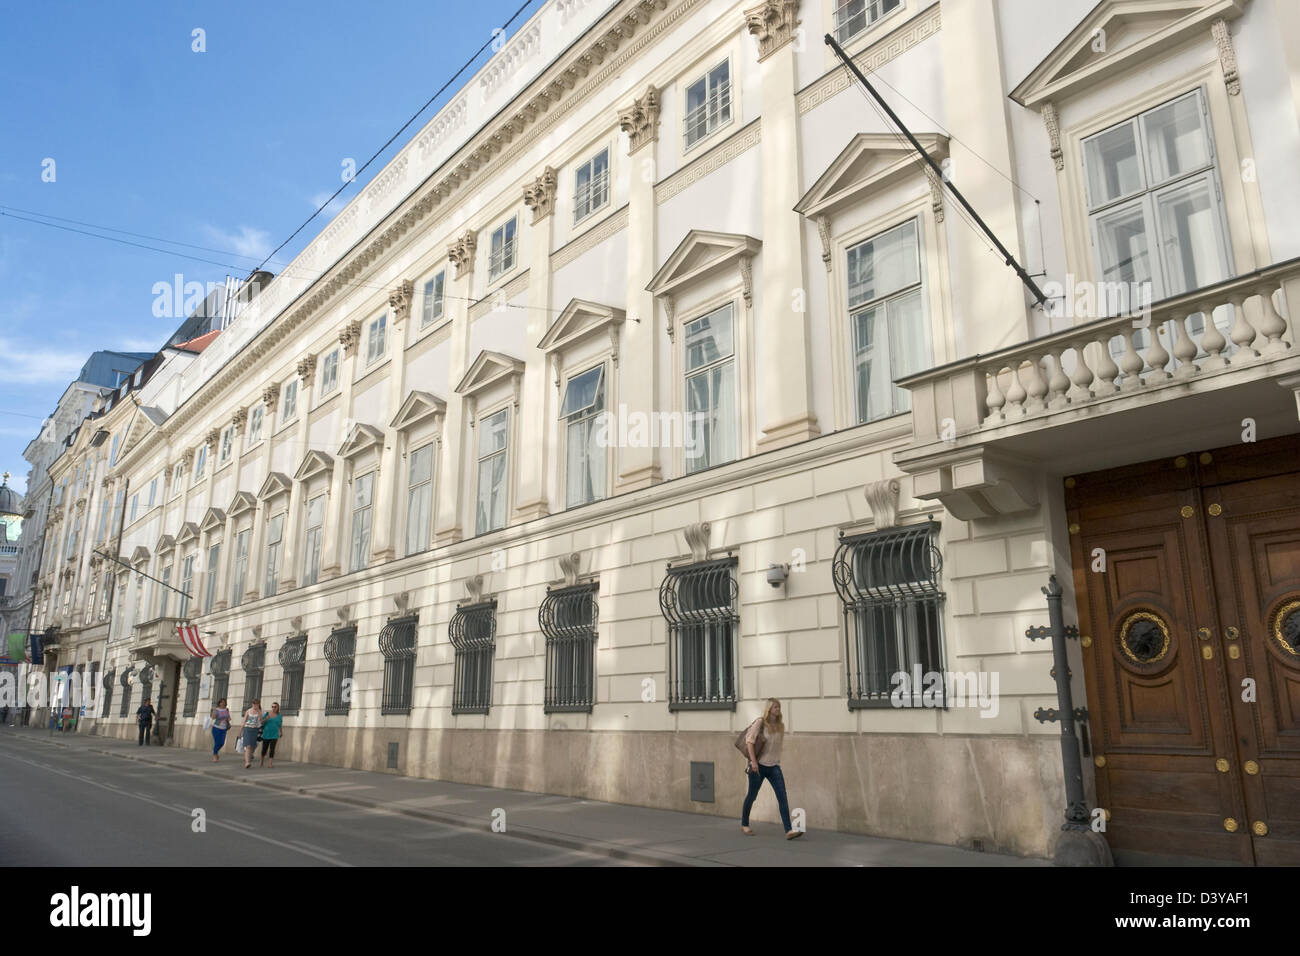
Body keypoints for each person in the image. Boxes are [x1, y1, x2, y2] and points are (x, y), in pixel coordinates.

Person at [740, 697, 801, 840]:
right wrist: (753, 762)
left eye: (779, 707)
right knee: (752, 795)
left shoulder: (780, 726)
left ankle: (789, 830)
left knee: (782, 797)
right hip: (759, 766)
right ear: (769, 709)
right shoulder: (760, 723)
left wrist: (777, 760)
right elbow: (749, 742)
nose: (778, 709)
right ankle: (744, 824)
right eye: (775, 707)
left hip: (774, 767)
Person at [239, 699, 263, 769]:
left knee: (252, 746)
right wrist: (240, 732)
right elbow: (244, 721)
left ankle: (250, 755)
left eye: (257, 704)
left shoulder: (259, 712)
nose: (255, 705)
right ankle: (247, 762)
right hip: (247, 729)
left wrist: (259, 711)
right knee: (248, 746)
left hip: (255, 730)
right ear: (252, 704)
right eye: (254, 703)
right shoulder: (248, 711)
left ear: (258, 704)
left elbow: (261, 720)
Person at [259, 702, 282, 768]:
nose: (273, 708)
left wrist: (281, 732)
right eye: (272, 707)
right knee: (264, 749)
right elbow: (261, 722)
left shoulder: (279, 716)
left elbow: (280, 725)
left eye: (275, 707)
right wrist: (266, 719)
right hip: (266, 734)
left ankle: (270, 763)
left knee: (272, 749)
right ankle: (262, 761)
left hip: (274, 735)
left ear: (277, 708)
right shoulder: (267, 714)